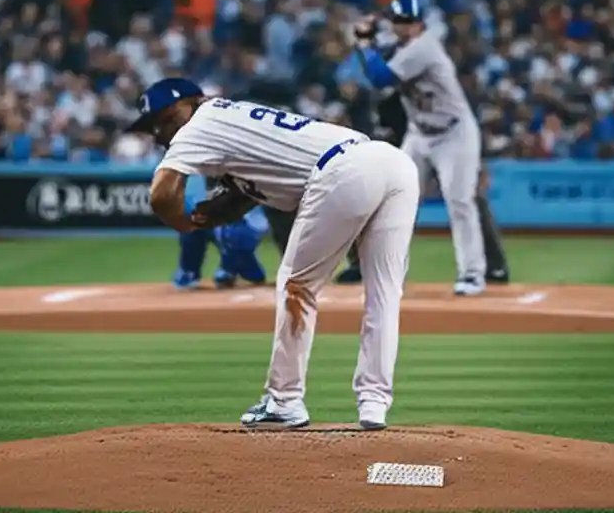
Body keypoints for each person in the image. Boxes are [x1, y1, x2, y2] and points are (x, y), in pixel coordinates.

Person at [129, 77, 419, 431]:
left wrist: (185, 224)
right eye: (151, 127)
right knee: (385, 292)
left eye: (164, 118)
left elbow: (161, 197)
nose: (159, 132)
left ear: (194, 101)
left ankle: (284, 401)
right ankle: (374, 403)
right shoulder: (236, 122)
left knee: (297, 285)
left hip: (344, 169)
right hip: (392, 163)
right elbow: (241, 196)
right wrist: (214, 210)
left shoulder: (201, 122)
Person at [350, 0, 508, 296]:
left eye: (410, 22)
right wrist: (362, 36)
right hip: (419, 135)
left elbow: (381, 76)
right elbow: (372, 52)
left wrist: (365, 41)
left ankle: (473, 274)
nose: (405, 27)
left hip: (454, 133)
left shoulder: (424, 48)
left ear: (420, 24)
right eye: (400, 22)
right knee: (397, 201)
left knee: (460, 201)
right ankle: (391, 274)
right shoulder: (398, 43)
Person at [172, 175, 270, 289]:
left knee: (235, 234)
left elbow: (258, 220)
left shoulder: (244, 176)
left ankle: (235, 269)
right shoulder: (197, 179)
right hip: (212, 222)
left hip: (241, 225)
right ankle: (188, 272)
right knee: (190, 225)